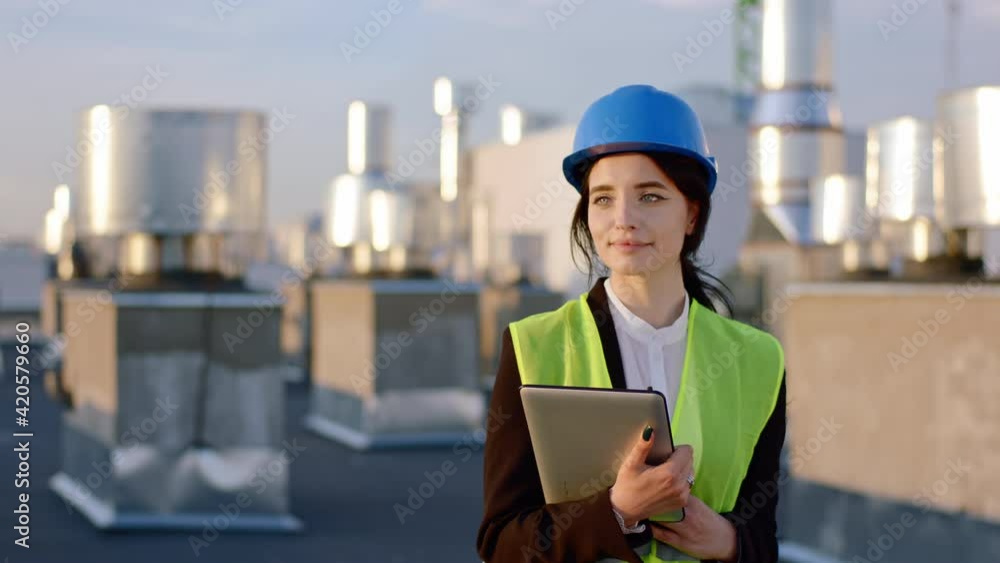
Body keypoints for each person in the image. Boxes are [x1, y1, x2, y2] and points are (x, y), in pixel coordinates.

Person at [476, 85, 786, 563]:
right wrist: (616, 513)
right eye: (603, 198)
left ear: (692, 214)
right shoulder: (533, 347)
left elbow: (763, 535)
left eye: (650, 196)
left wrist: (730, 542)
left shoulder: (758, 360)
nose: (623, 218)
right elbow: (501, 544)